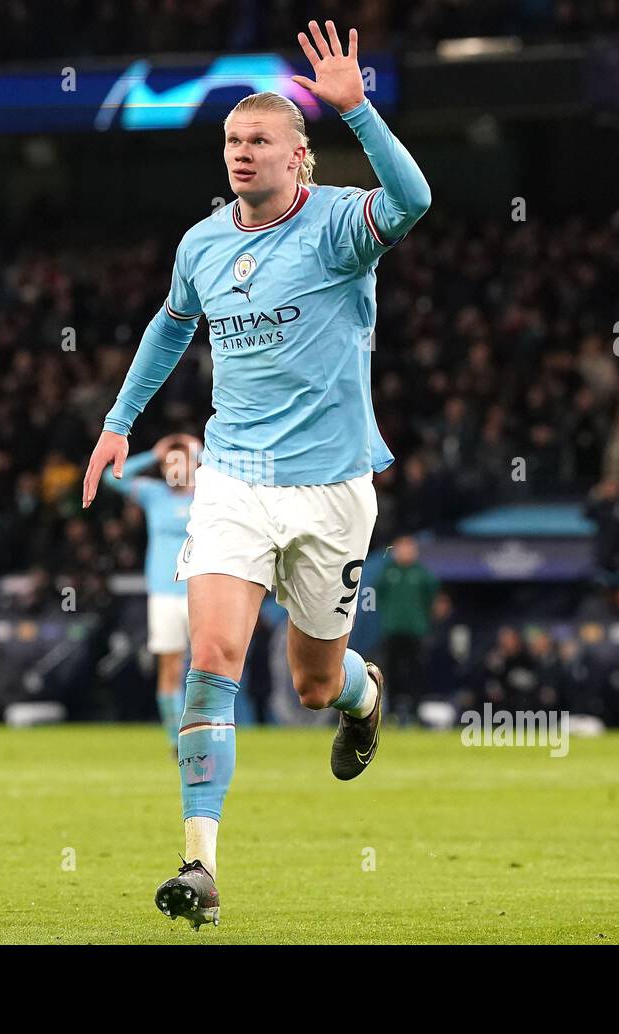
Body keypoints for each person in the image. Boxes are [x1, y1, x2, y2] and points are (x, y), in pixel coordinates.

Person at [82, 19, 430, 929]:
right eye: (234, 141)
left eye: (260, 140)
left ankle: (363, 694)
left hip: (331, 487)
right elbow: (170, 325)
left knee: (314, 684)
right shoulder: (201, 243)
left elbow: (416, 198)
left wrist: (362, 112)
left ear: (299, 155)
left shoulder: (341, 227)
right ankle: (199, 864)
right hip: (233, 476)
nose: (242, 153)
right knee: (211, 660)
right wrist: (119, 424)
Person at [100, 433, 200, 752]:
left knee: (205, 668)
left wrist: (196, 451)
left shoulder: (209, 495)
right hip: (164, 593)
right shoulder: (154, 494)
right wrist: (152, 453)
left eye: (179, 460)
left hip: (200, 591)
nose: (173, 467)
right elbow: (110, 477)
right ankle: (176, 739)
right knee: (170, 667)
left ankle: (203, 732)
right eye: (168, 462)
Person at [375, 535, 440, 723]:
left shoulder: (421, 573)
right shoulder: (388, 573)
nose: (405, 552)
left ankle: (415, 712)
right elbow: (380, 597)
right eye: (401, 548)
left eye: (408, 548)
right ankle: (392, 712)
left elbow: (432, 598)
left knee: (416, 672)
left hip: (415, 630)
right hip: (393, 630)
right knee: (391, 672)